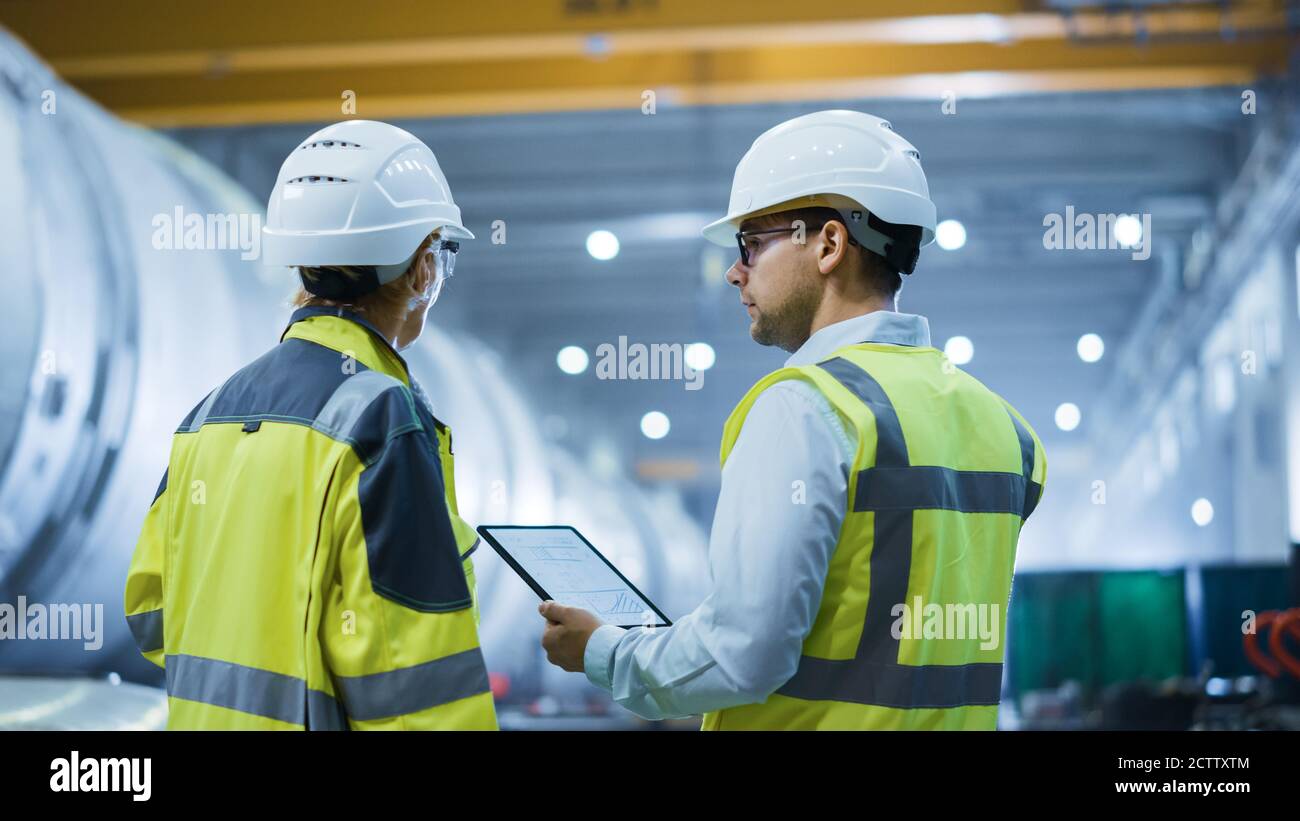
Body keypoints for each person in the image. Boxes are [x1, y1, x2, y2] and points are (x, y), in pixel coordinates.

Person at [538, 110, 1046, 730]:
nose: (735, 271)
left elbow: (744, 654)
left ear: (829, 245)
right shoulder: (1005, 429)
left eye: (752, 244)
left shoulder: (807, 407)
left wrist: (604, 651)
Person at [124, 120, 497, 730]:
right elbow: (417, 685)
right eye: (441, 258)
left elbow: (149, 611)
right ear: (424, 269)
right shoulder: (381, 422)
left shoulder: (208, 415)